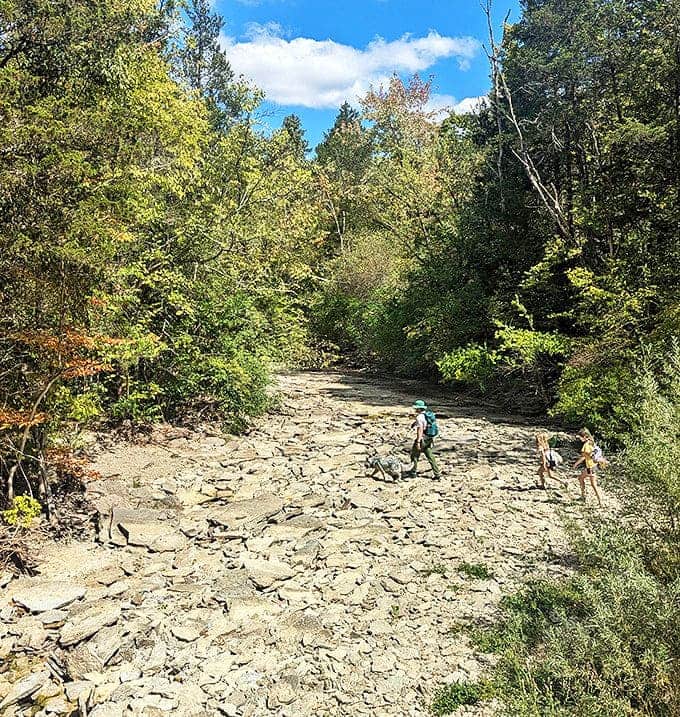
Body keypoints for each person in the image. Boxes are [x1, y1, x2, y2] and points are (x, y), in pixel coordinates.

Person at [408, 400, 441, 480]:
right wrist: (414, 423)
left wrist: (418, 441)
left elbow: (420, 429)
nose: (415, 409)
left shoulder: (419, 417)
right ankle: (437, 473)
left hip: (423, 439)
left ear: (419, 409)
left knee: (414, 455)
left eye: (416, 408)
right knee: (430, 455)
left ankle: (413, 472)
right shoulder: (428, 415)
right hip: (429, 438)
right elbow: (425, 424)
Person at [573, 428, 603, 506]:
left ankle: (586, 497)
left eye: (580, 437)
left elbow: (583, 457)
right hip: (594, 466)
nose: (579, 439)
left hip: (590, 467)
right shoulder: (591, 442)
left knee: (591, 483)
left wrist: (576, 464)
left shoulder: (586, 446)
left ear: (585, 437)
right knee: (585, 480)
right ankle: (596, 499)